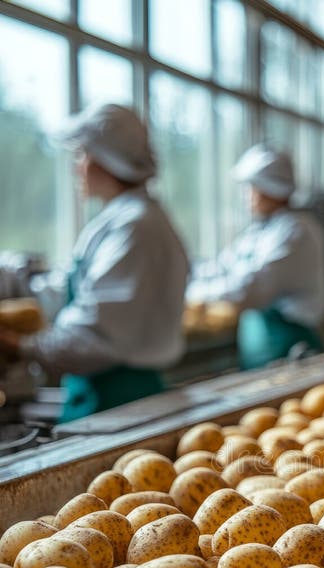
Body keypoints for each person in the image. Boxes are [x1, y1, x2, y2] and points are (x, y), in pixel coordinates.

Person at [0, 104, 189, 422]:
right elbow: (73, 294)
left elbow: (96, 337)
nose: (77, 167)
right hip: (107, 393)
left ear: (106, 160)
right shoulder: (126, 220)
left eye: (82, 155)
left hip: (116, 400)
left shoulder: (134, 228)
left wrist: (21, 346)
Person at [187, 144, 324, 370]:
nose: (246, 195)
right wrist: (185, 273)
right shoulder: (259, 231)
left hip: (289, 341)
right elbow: (223, 266)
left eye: (251, 188)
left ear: (269, 189)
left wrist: (194, 294)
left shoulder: (296, 230)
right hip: (263, 343)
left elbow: (250, 290)